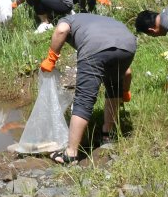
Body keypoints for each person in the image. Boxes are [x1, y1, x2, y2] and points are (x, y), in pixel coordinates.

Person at [38, 12, 136, 163]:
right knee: (113, 87)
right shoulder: (100, 20)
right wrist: (124, 91)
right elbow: (127, 72)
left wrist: (52, 57)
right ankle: (108, 135)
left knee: (84, 97)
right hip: (128, 46)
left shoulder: (67, 19)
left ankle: (70, 154)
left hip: (95, 46)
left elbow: (61, 30)